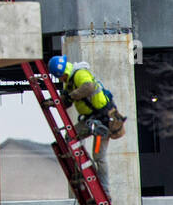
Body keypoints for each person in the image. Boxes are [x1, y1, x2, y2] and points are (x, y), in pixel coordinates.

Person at [47, 54, 127, 191]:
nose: (61, 80)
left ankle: (104, 189)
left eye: (60, 77)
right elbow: (66, 101)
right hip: (92, 122)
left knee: (98, 155)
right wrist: (53, 102)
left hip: (102, 124)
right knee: (70, 136)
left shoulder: (79, 74)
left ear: (63, 73)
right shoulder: (71, 82)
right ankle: (86, 171)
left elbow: (88, 87)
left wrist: (70, 96)